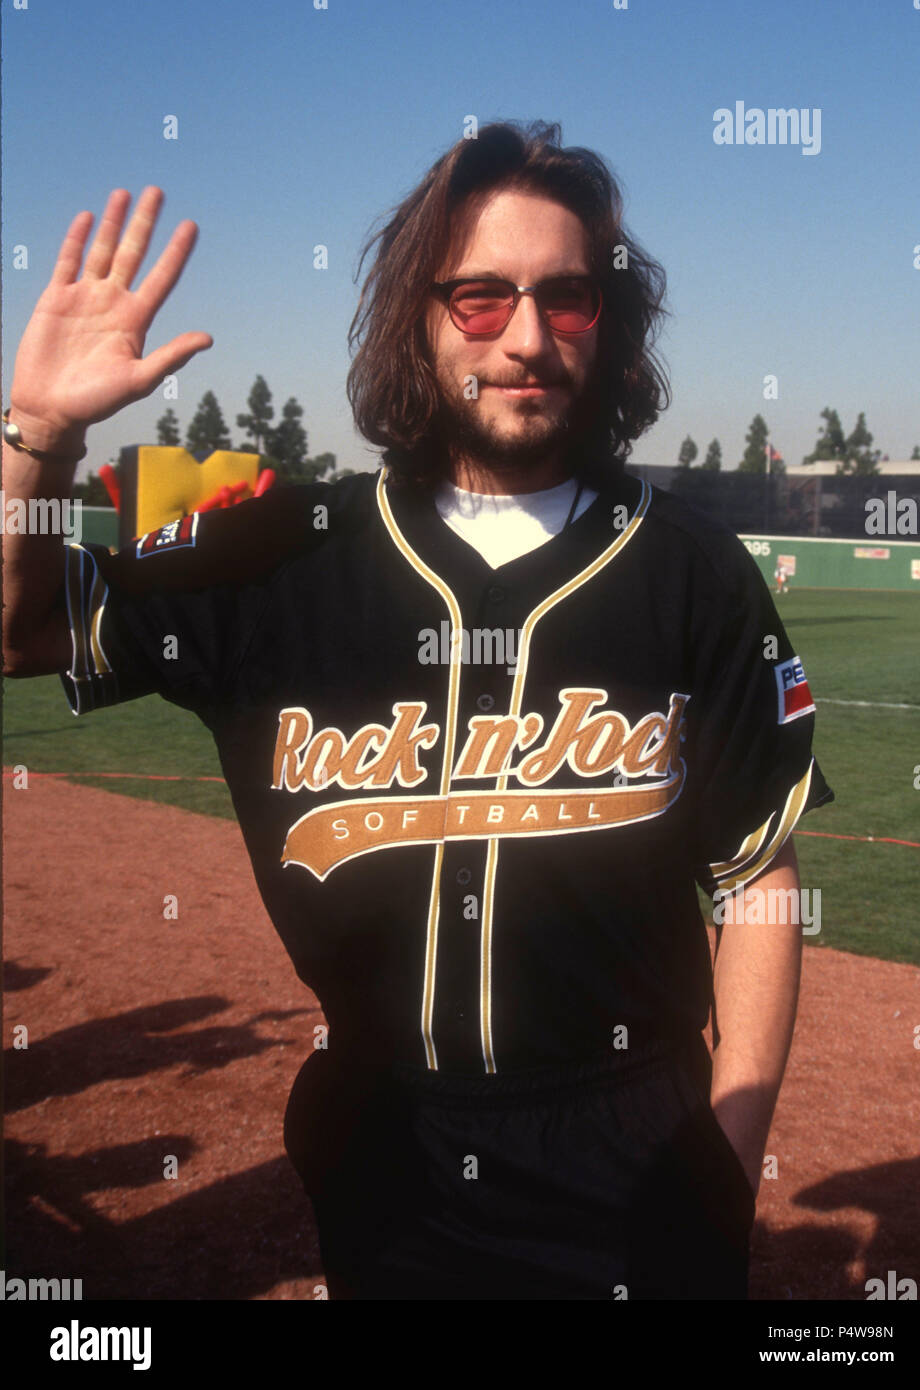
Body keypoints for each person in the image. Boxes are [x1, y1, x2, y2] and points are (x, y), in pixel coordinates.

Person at [2, 121, 833, 1300]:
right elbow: (18, 631)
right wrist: (38, 436)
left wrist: (731, 1149)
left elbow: (755, 870)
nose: (529, 337)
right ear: (419, 314)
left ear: (610, 319)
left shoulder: (693, 563)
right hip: (379, 1134)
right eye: (481, 298)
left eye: (568, 297)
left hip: (636, 1141)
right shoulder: (265, 530)